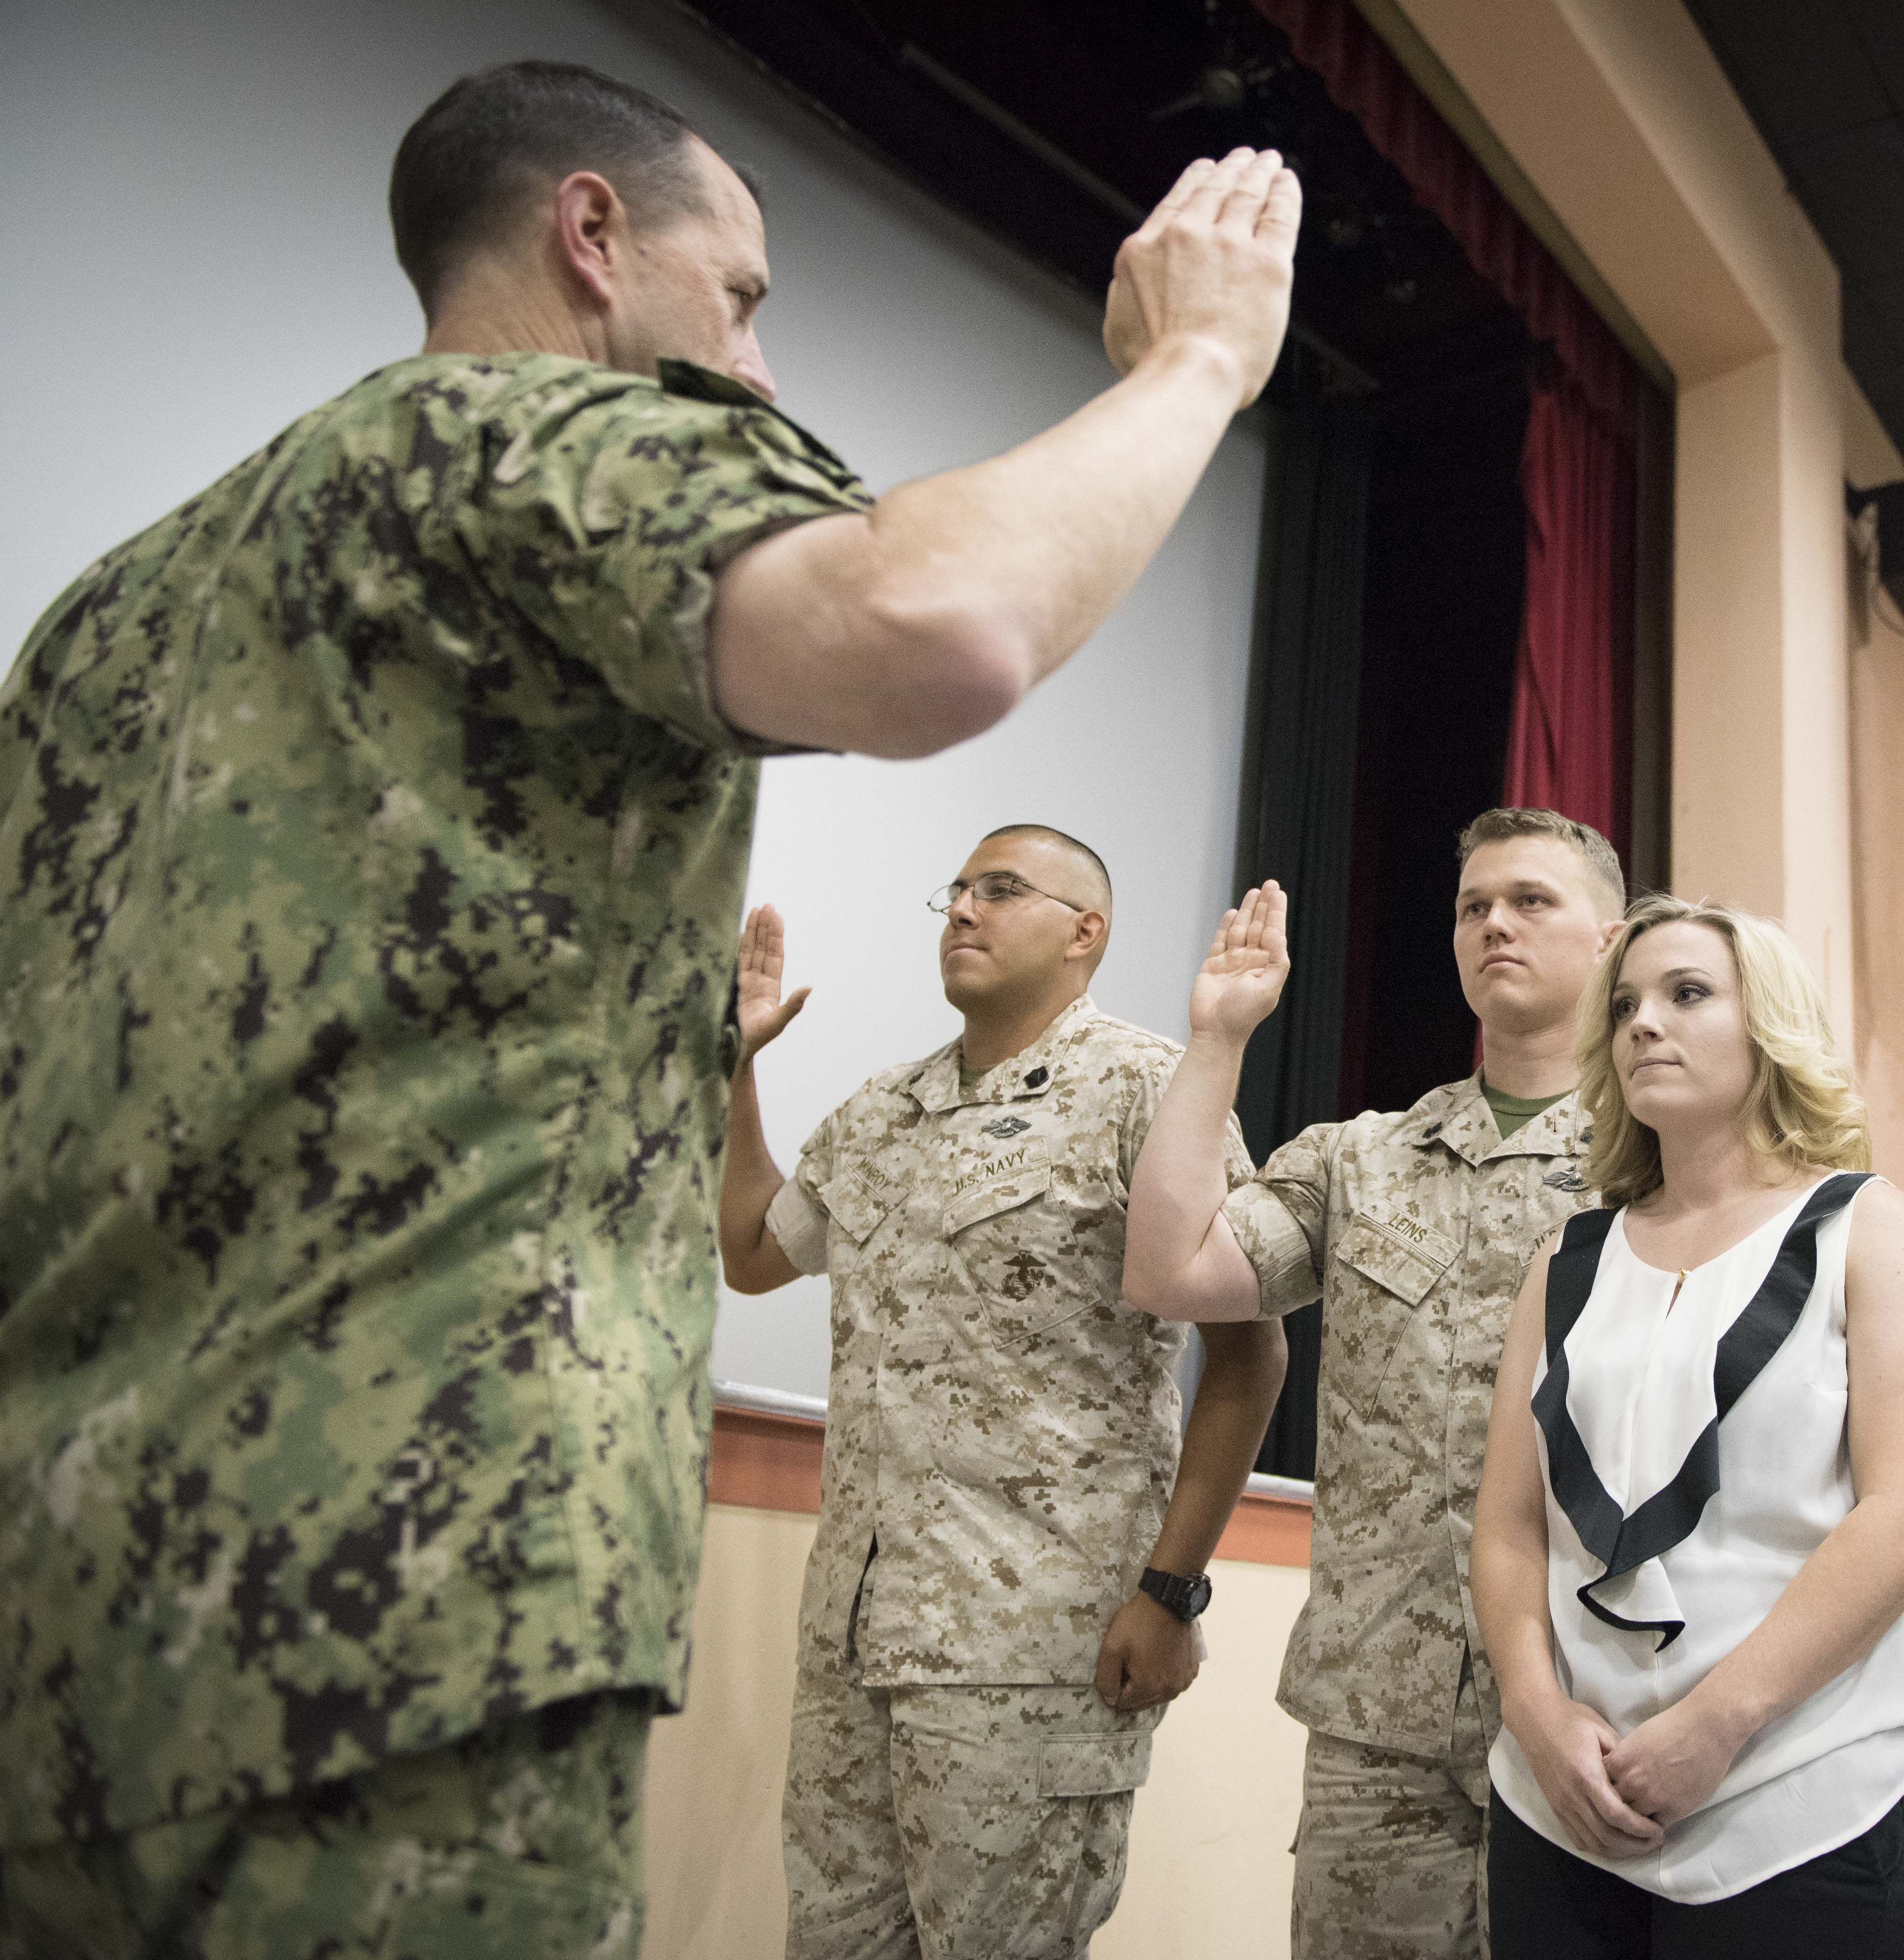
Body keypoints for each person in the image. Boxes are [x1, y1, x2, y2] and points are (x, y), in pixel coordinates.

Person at [0, 58, 1298, 1952]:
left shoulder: (113, 616)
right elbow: (940, 622)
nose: (755, 371)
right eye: (746, 296)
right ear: (590, 236)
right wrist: (1197, 365)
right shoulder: (529, 442)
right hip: (382, 1630)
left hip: (64, 1629)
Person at [716, 826, 1285, 1958]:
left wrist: (1170, 1592)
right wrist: (735, 1069)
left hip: (1034, 1644)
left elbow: (1249, 1354)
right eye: (957, 891)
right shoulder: (886, 1108)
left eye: (1001, 888)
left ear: (1087, 931)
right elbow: (750, 1250)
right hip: (854, 1640)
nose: (963, 910)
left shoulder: (1144, 1091)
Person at [1120, 808, 1626, 1958]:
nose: (1494, 921)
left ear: (1611, 940)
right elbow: (1169, 1273)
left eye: (1531, 900)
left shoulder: (1672, 1161)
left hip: (1598, 1705)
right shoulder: (1360, 1158)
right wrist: (1217, 1041)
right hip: (1377, 1716)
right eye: (1472, 906)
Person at [1472, 897, 1904, 1957]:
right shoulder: (1569, 1256)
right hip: (1561, 1795)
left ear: (1769, 1025)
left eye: (1688, 993)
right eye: (1625, 1006)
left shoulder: (1869, 1227)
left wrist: (1715, 1724)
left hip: (1801, 1789)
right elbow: (1511, 1526)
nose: (1644, 1022)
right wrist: (1531, 1707)